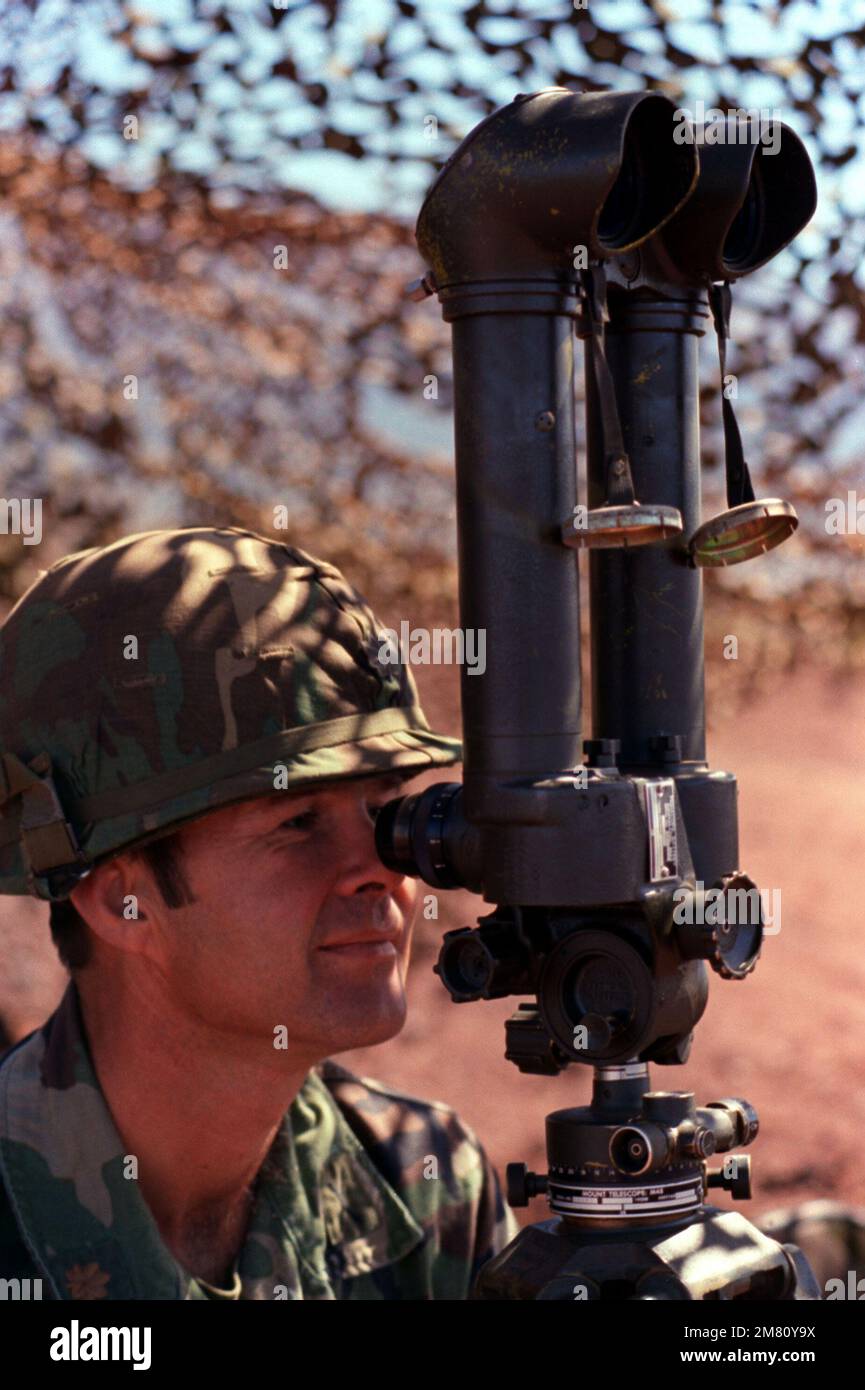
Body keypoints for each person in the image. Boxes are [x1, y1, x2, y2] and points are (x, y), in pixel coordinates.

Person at [0, 525, 519, 1300]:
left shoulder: (423, 1185)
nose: (384, 871)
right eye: (295, 824)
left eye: (387, 811)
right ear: (122, 900)